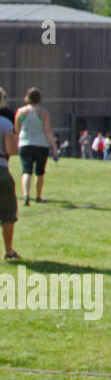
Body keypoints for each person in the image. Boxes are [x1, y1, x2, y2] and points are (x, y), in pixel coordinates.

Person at [14, 88, 57, 205]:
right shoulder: (43, 113)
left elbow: (17, 129)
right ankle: (38, 196)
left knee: (26, 170)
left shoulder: (21, 111)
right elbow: (47, 131)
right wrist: (54, 147)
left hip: (25, 143)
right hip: (41, 144)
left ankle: (26, 195)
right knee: (39, 172)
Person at [0, 88, 19, 260]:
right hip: (1, 171)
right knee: (7, 213)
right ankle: (8, 251)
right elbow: (12, 150)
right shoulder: (5, 123)